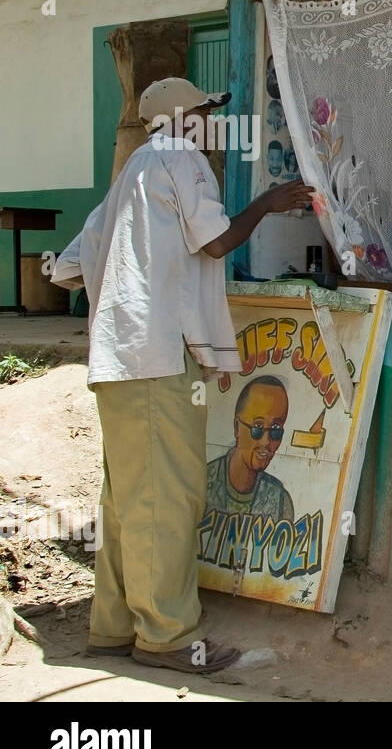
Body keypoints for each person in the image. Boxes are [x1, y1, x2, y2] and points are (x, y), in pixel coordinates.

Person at [52, 77, 314, 674]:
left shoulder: (130, 175)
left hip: (117, 358)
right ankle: (168, 636)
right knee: (167, 498)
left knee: (126, 498)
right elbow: (217, 241)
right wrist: (267, 204)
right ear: (178, 118)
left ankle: (113, 628)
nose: (212, 122)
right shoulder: (180, 156)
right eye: (204, 111)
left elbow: (67, 267)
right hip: (157, 355)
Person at [205, 375, 295, 523]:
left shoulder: (280, 502)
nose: (266, 441)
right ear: (237, 427)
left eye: (276, 429)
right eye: (257, 427)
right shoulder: (203, 481)